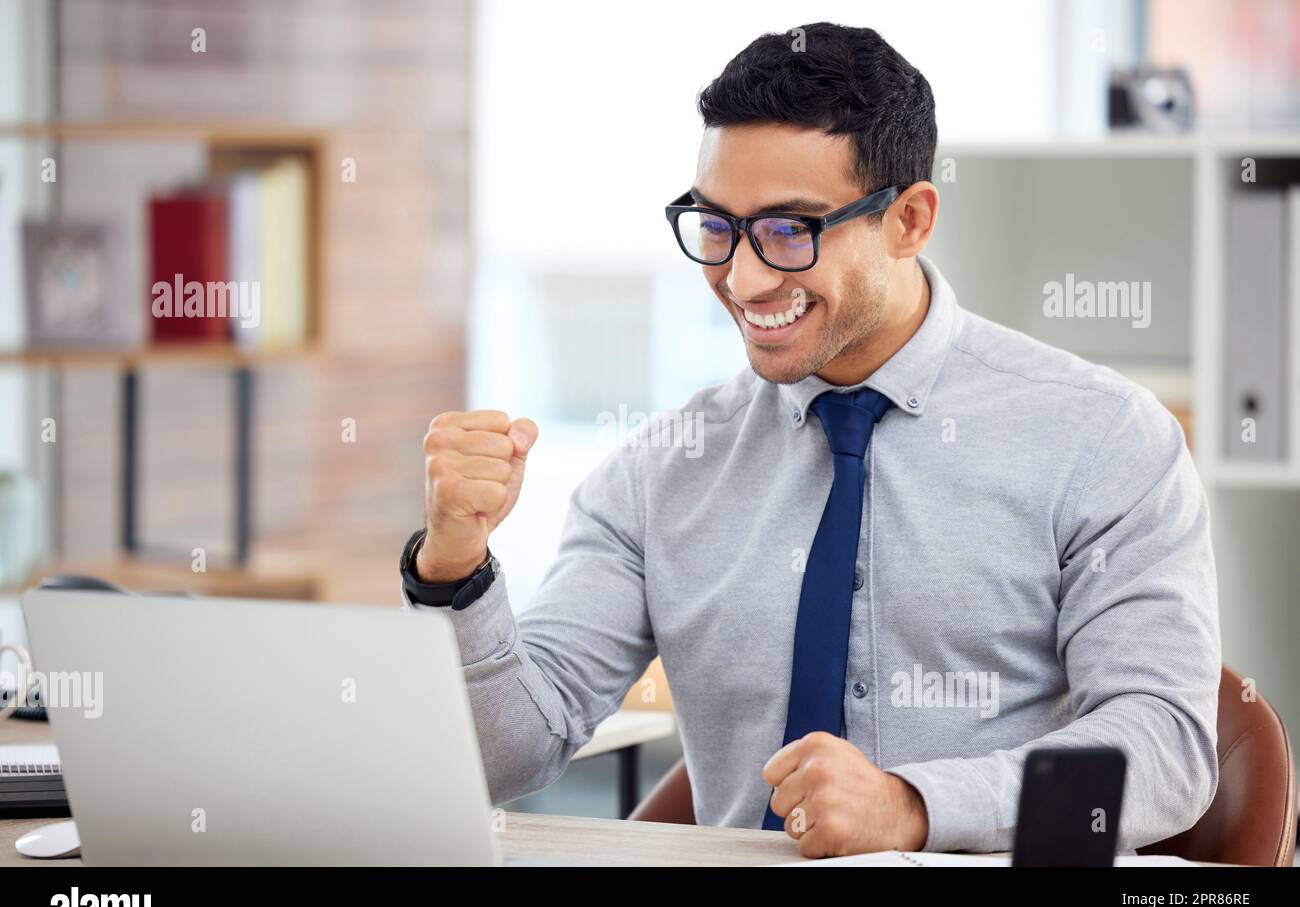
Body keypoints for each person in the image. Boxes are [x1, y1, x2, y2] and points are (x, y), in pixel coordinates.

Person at [398, 22, 1219, 858]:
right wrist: (453, 569)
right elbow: (506, 756)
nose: (744, 279)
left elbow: (1167, 748)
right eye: (716, 226)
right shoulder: (661, 469)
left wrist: (913, 805)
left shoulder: (1101, 437)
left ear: (909, 219)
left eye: (790, 231)